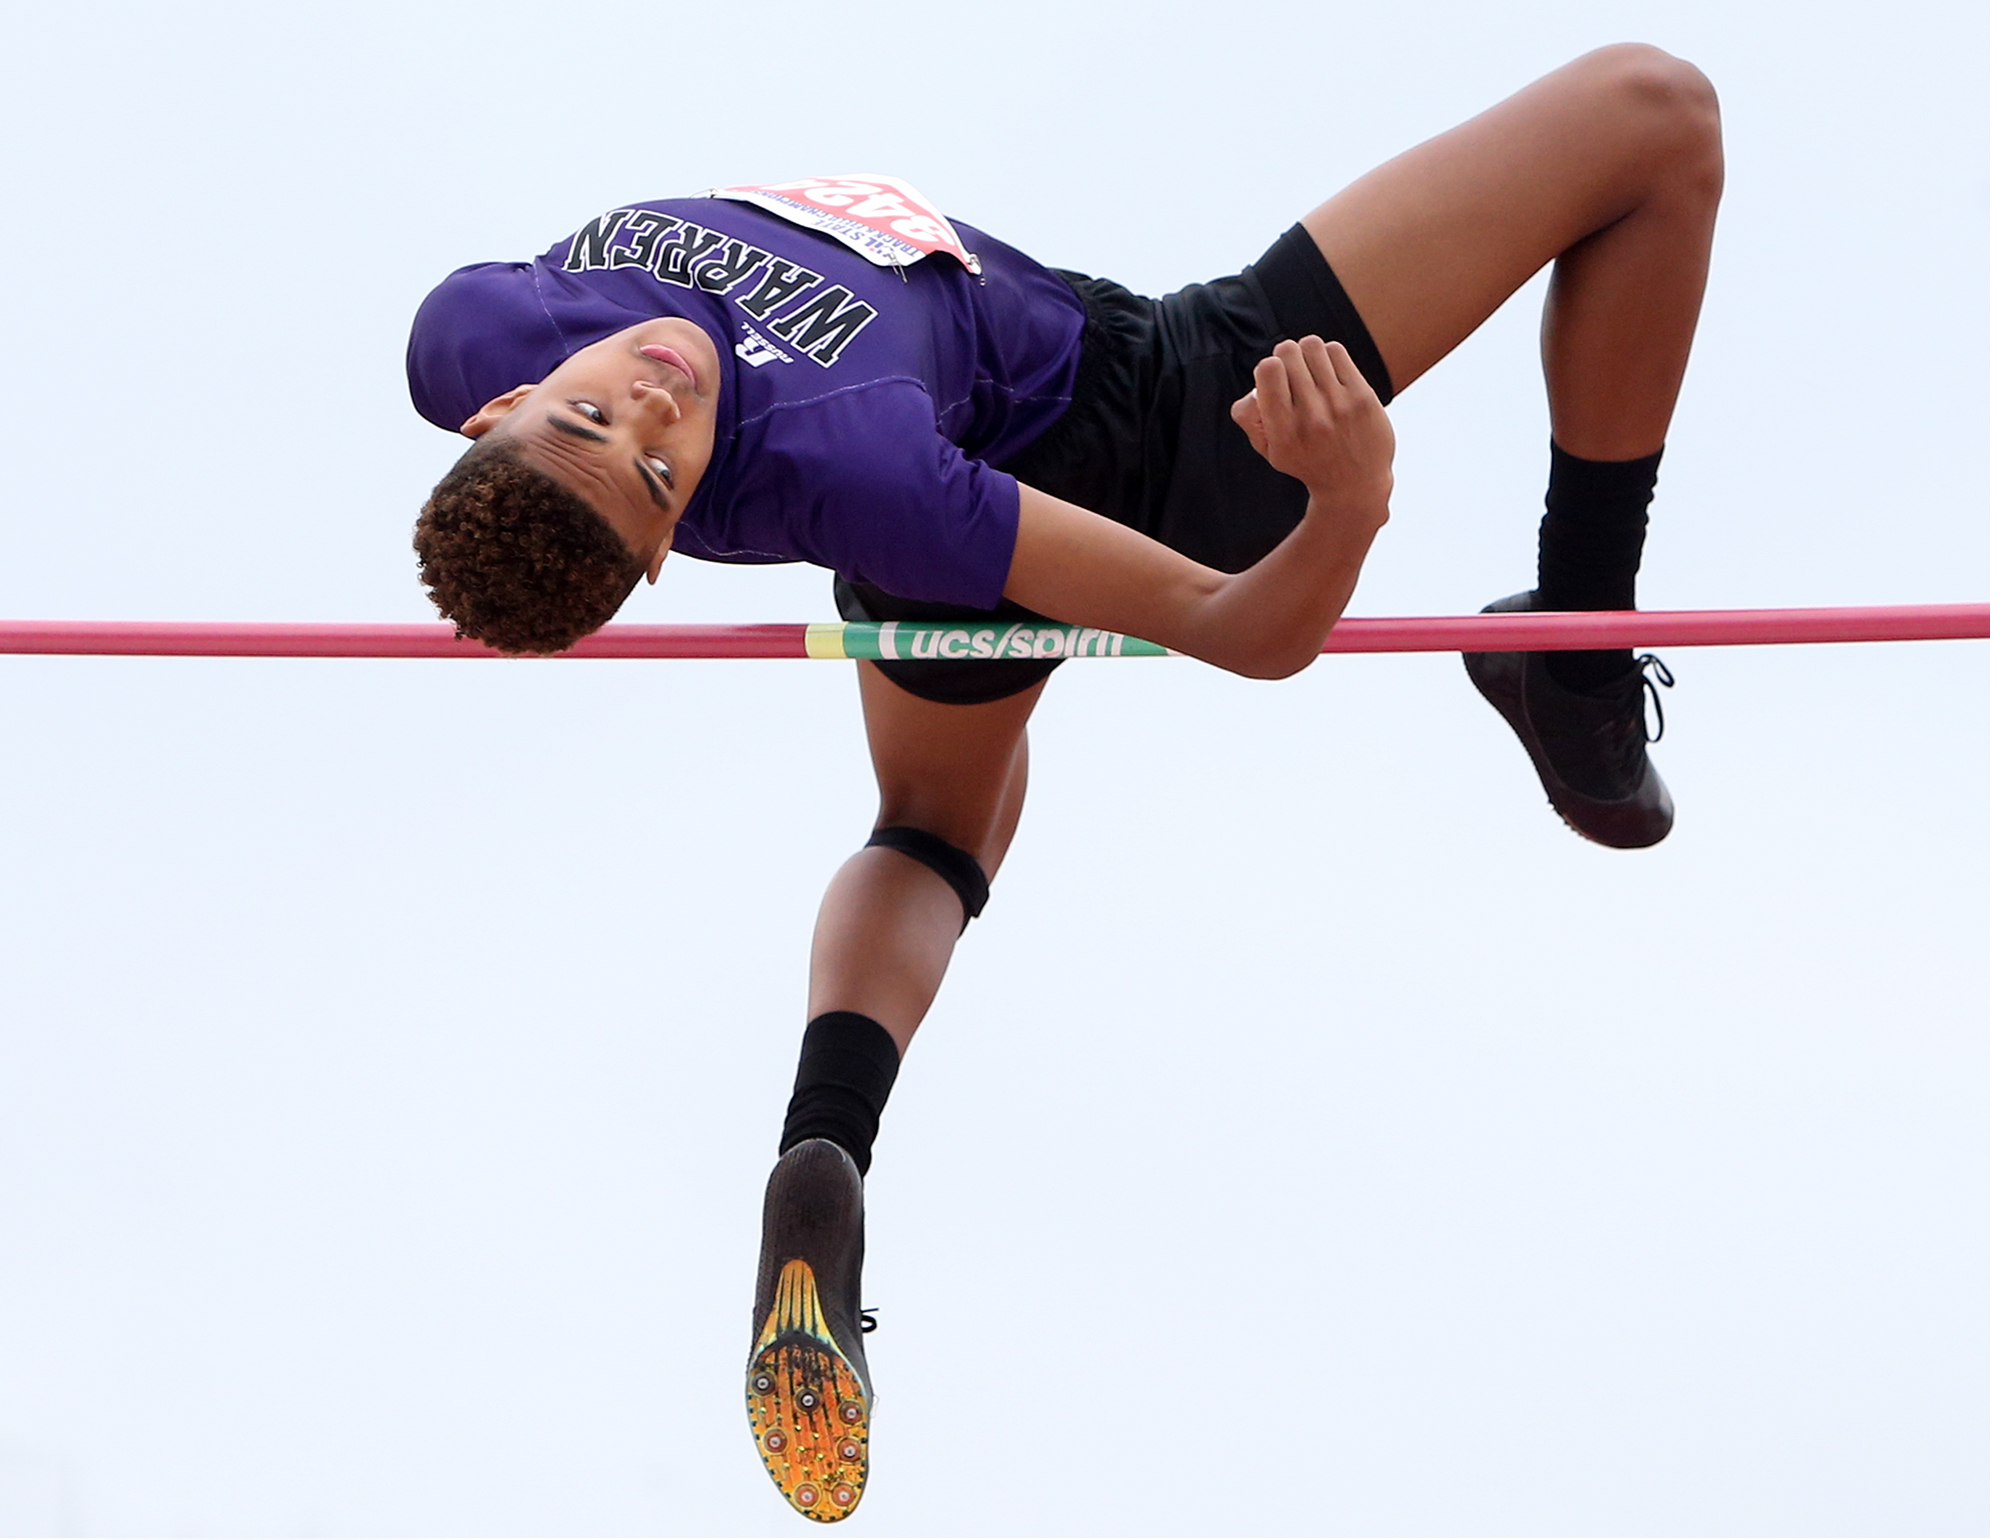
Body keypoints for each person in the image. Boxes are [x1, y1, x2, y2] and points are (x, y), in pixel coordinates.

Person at [405, 44, 1721, 1523]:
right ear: (670, 551)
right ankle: (1580, 657)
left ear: (498, 401)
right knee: (1654, 119)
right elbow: (1244, 631)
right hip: (1167, 420)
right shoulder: (857, 464)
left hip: (990, 464)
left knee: (931, 827)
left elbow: (530, 494)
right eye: (660, 479)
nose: (650, 413)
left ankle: (824, 1143)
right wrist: (1347, 501)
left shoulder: (471, 325)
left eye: (592, 424)